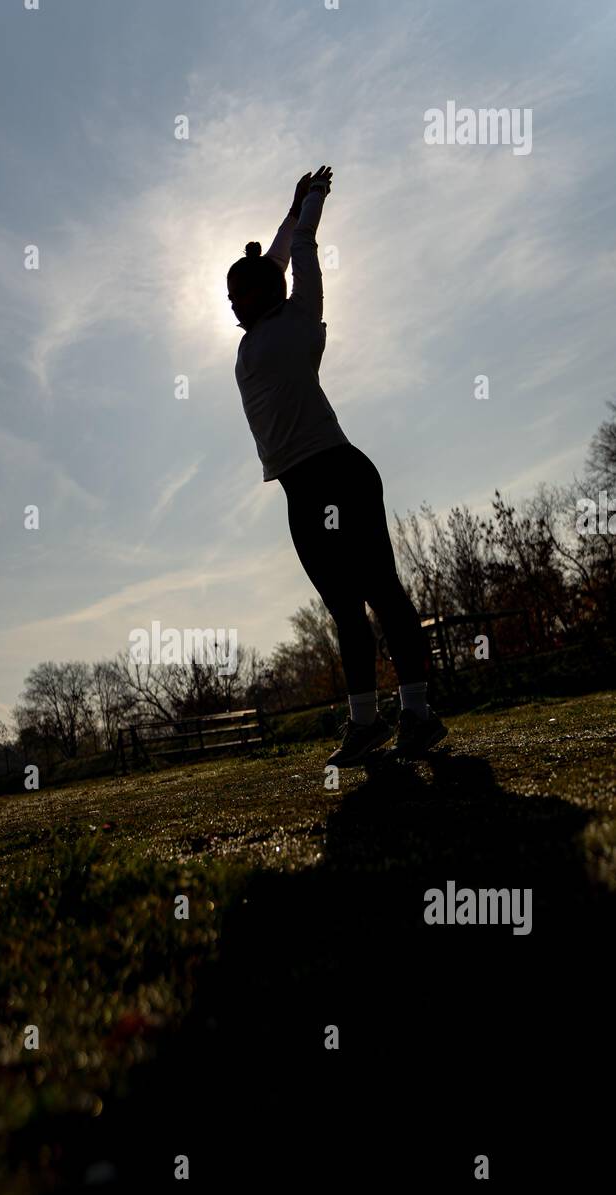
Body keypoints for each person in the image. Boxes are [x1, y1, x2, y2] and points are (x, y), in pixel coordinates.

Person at [228, 166, 447, 765]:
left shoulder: (298, 318)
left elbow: (296, 252)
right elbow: (270, 258)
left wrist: (313, 201)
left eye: (237, 296)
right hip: (299, 492)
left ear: (265, 295)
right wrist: (289, 201)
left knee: (381, 591)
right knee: (344, 611)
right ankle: (366, 725)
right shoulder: (256, 329)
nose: (231, 306)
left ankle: (420, 716)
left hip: (338, 475)